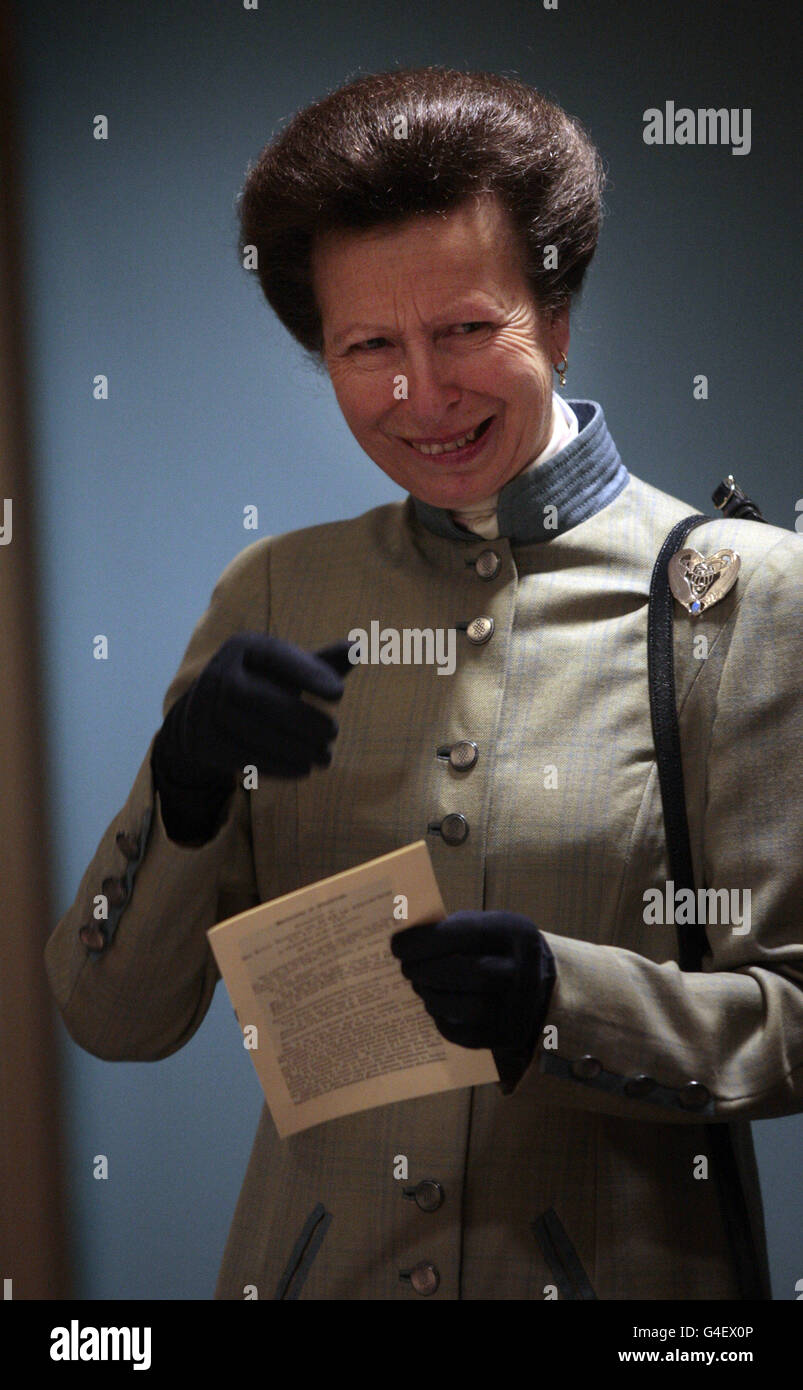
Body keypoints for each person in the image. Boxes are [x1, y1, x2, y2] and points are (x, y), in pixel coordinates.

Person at [45, 66, 802, 1301]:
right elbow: (111, 1015)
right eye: (366, 348)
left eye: (463, 329)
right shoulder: (272, 592)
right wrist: (178, 792)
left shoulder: (744, 596)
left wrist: (567, 998)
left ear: (554, 317)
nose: (422, 396)